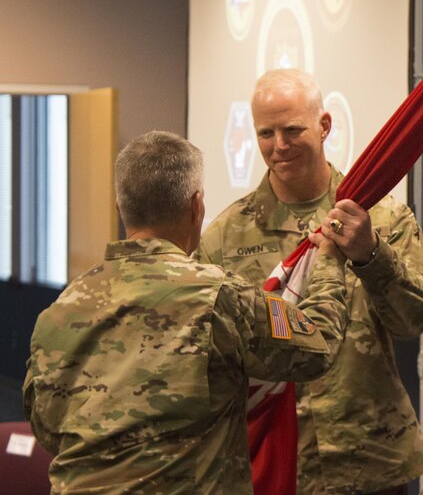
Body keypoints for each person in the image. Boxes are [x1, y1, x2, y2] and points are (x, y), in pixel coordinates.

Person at [23, 131, 348, 494]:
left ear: (120, 208)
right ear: (197, 206)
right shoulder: (222, 298)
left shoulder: (59, 311)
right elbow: (317, 346)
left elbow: (46, 426)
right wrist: (328, 261)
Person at [197, 69, 423, 494]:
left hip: (370, 458)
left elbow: (415, 319)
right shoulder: (225, 236)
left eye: (292, 130)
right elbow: (206, 354)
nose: (279, 145)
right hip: (272, 464)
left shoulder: (380, 215)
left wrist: (371, 254)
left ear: (324, 125)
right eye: (266, 133)